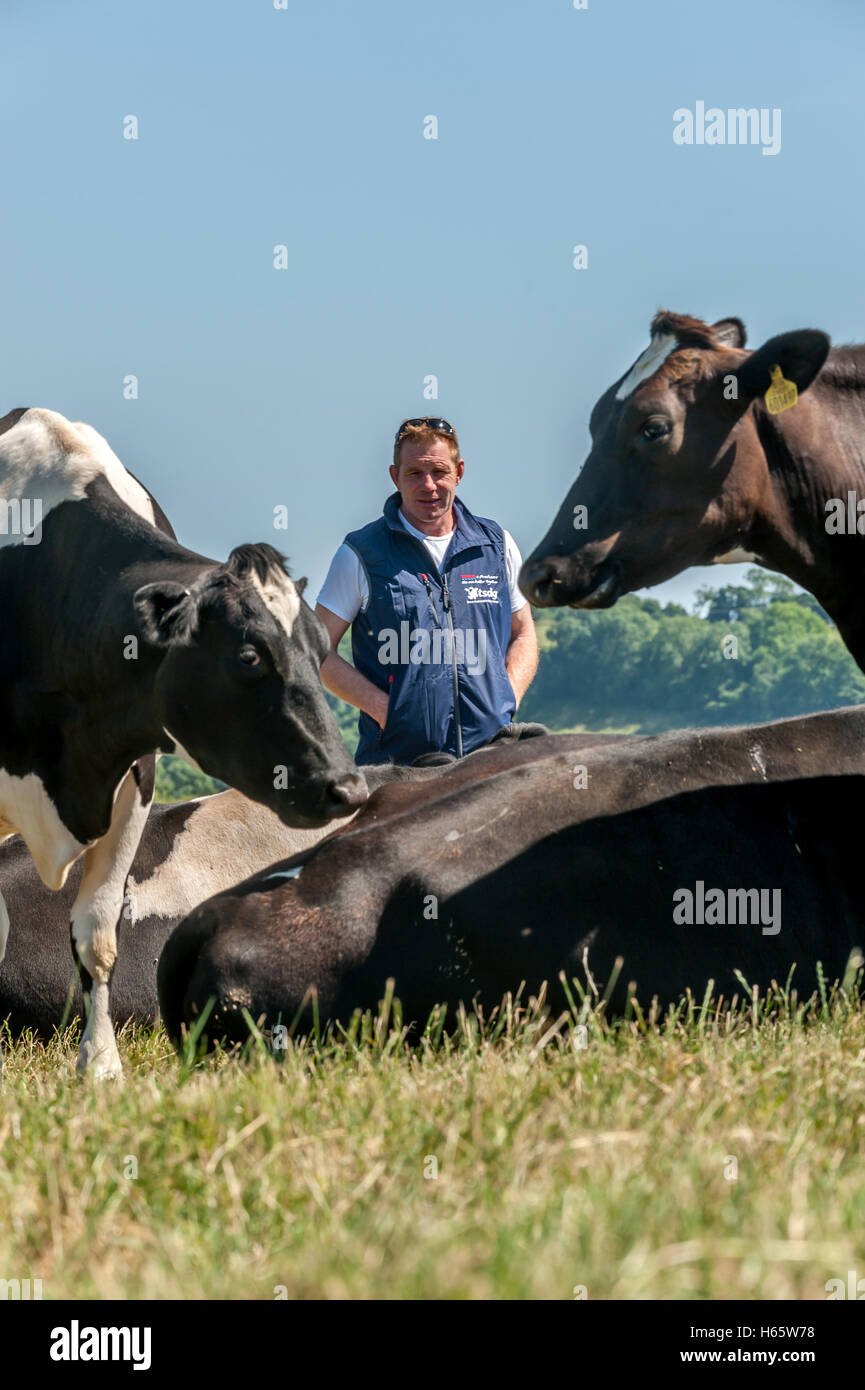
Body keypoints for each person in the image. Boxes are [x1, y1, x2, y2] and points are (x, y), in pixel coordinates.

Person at [315, 416, 538, 764]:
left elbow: (523, 633)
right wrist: (384, 710)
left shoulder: (496, 545)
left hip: (490, 761)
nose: (429, 486)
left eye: (439, 472)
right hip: (397, 767)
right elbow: (316, 650)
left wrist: (505, 698)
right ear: (395, 476)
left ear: (459, 472)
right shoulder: (360, 553)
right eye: (415, 474)